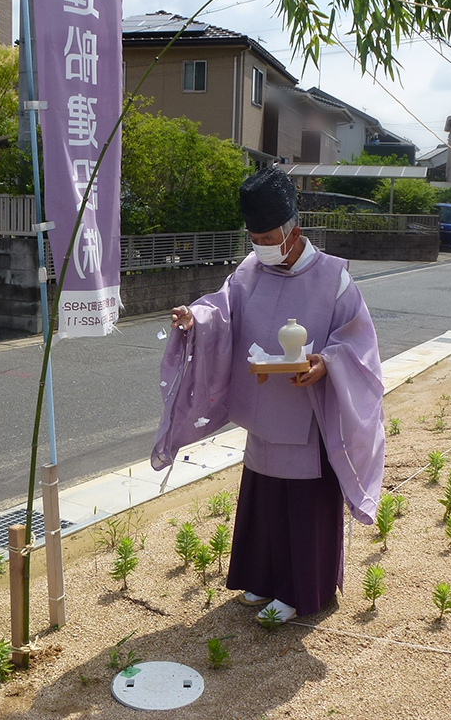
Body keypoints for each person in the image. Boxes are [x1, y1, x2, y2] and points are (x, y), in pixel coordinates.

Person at [152, 166, 385, 624]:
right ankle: (261, 579)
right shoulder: (250, 270)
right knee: (265, 498)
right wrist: (194, 319)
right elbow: (223, 310)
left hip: (308, 415)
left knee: (301, 505)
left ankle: (301, 590)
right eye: (253, 237)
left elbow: (360, 346)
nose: (260, 246)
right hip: (264, 416)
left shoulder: (335, 278)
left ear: (293, 231)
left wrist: (325, 363)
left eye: (267, 236)